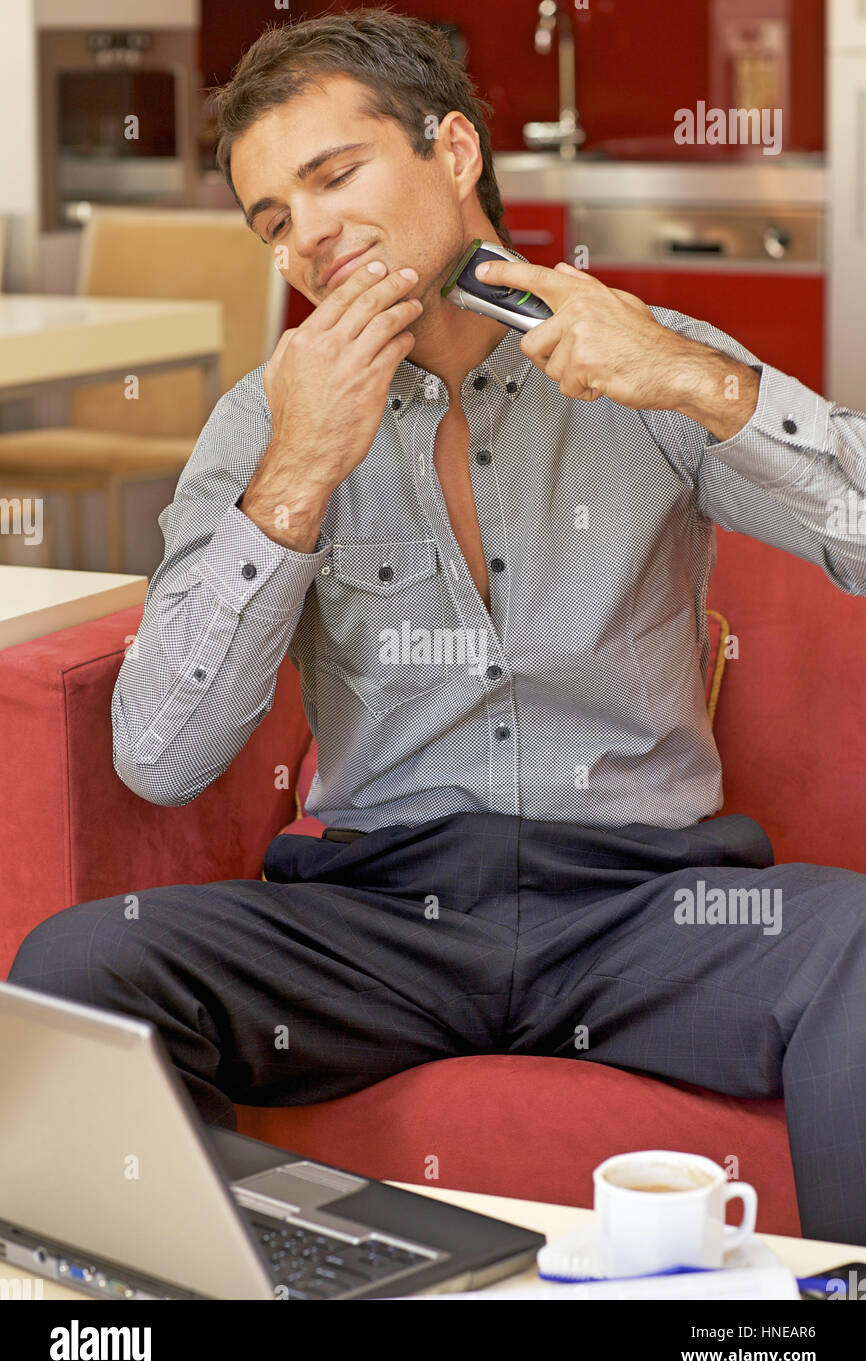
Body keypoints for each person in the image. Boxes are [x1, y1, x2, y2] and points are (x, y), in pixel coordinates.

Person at [10, 9, 866, 1244]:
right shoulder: (263, 424)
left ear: (452, 152)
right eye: (273, 219)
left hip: (645, 911)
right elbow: (158, 753)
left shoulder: (639, 367)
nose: (309, 236)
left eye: (332, 175)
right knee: (80, 970)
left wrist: (692, 379)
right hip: (372, 919)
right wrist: (298, 473)